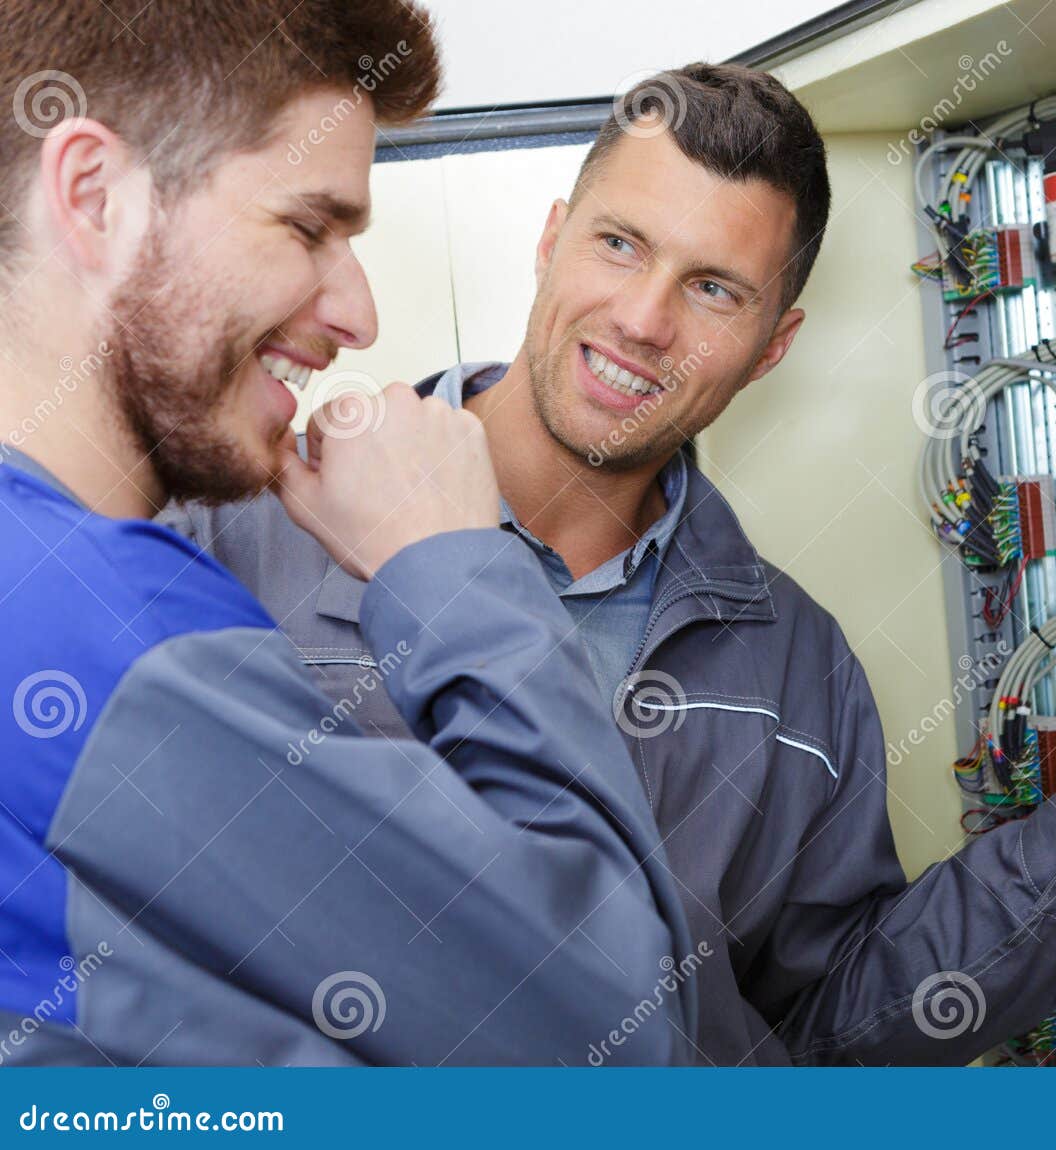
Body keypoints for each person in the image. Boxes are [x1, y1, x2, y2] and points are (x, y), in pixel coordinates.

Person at [176, 62, 1056, 1065]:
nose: (641, 319)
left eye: (713, 288)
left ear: (773, 345)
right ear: (550, 238)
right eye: (619, 244)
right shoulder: (241, 522)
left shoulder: (795, 669)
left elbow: (823, 1032)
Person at [0, 1, 693, 1066]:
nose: (359, 313)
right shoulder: (101, 634)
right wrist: (452, 565)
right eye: (308, 227)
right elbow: (616, 1050)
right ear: (95, 197)